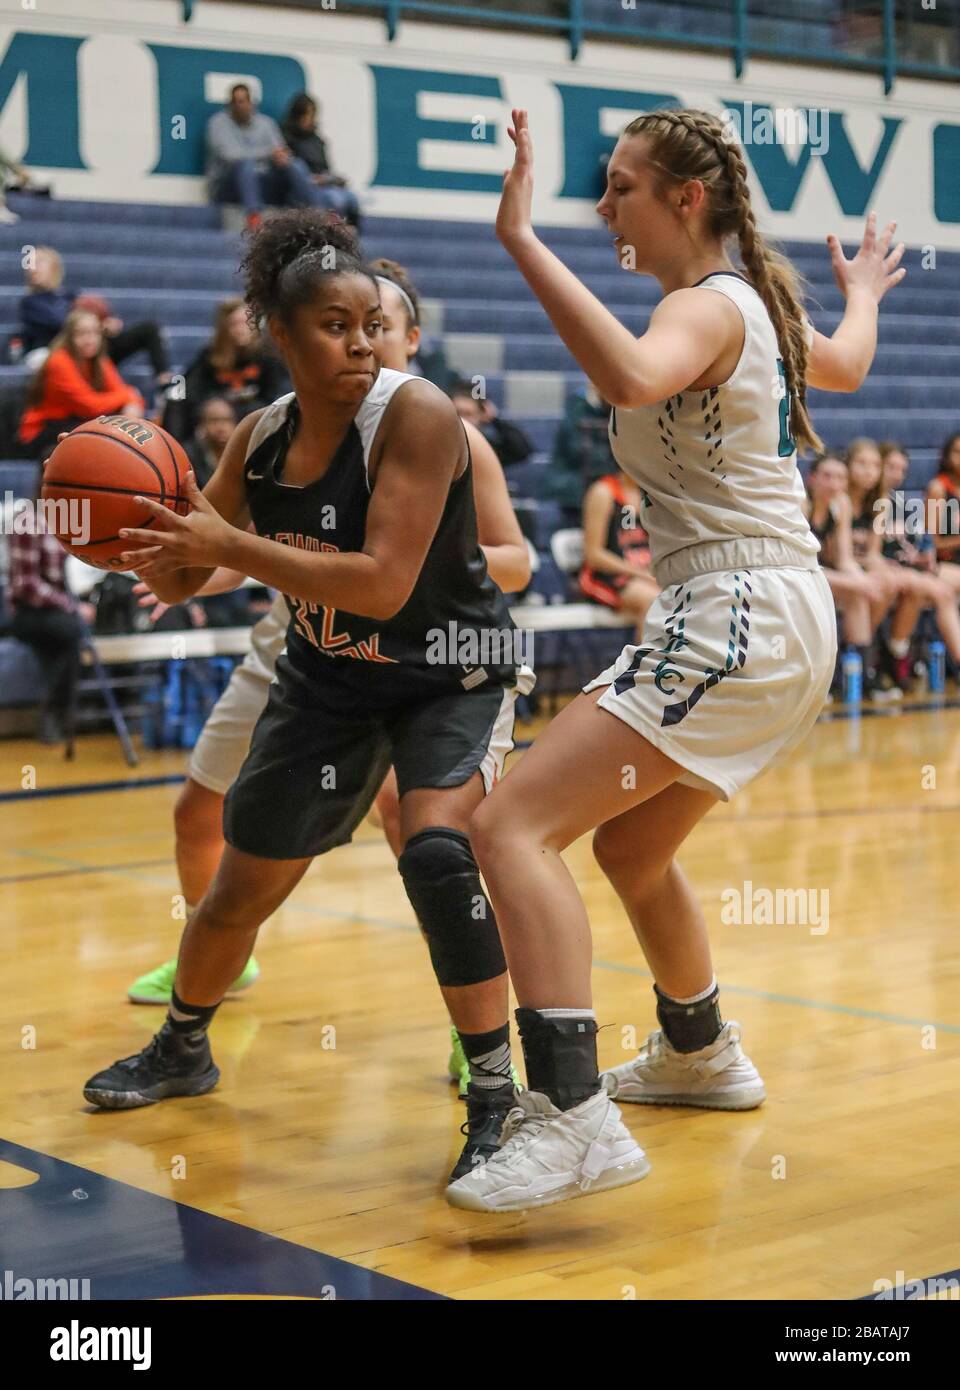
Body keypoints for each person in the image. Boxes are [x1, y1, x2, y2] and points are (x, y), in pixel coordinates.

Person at [446, 107, 904, 1213]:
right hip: (767, 616)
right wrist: (867, 297)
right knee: (633, 849)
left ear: (683, 199)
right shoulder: (743, 308)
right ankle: (699, 1050)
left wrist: (522, 241)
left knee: (508, 825)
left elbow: (634, 378)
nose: (604, 208)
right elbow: (838, 363)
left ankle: (570, 1119)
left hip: (738, 612)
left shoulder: (701, 309)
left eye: (620, 188)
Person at [82, 213, 535, 1185]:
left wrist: (221, 549)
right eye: (336, 325)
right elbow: (199, 561)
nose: (363, 342)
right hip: (328, 682)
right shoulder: (258, 436)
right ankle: (182, 1043)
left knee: (439, 849)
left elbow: (378, 584)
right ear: (278, 335)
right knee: (240, 882)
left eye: (373, 322)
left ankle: (498, 1094)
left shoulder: (418, 416)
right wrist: (149, 558)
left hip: (448, 670)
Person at [7, 484, 96, 746]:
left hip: (63, 610)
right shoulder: (27, 520)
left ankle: (61, 712)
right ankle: (56, 711)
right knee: (70, 631)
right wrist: (70, 606)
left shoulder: (72, 519)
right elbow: (26, 585)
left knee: (71, 632)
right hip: (29, 612)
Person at [16, 248, 171, 394]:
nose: (31, 267)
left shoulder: (71, 295)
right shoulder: (30, 302)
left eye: (39, 262)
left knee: (149, 329)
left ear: (54, 267)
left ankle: (166, 386)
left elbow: (93, 315)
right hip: (63, 355)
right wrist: (97, 324)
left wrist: (109, 321)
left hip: (89, 349)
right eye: (29, 263)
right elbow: (62, 323)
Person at [803, 451, 889, 695]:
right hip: (796, 576)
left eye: (840, 478)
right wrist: (859, 584)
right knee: (857, 589)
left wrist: (864, 581)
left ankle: (858, 671)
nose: (834, 484)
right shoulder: (801, 503)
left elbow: (844, 560)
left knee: (859, 594)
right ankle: (827, 676)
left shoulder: (841, 503)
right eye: (827, 476)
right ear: (812, 479)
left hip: (822, 576)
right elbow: (802, 566)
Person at [17, 309, 144, 459]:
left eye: (95, 333)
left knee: (125, 431)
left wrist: (130, 409)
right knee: (103, 432)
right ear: (69, 336)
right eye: (82, 333)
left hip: (74, 423)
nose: (90, 339)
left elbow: (126, 396)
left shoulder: (99, 360)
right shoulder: (59, 361)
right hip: (43, 431)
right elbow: (90, 406)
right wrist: (128, 395)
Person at [162, 298, 286, 443]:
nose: (241, 329)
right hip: (215, 414)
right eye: (235, 324)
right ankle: (174, 452)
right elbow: (186, 386)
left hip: (253, 417)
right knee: (175, 400)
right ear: (225, 328)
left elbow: (276, 396)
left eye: (247, 323)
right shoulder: (211, 355)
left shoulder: (268, 356)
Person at [206, 84, 327, 227]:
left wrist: (281, 158)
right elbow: (229, 156)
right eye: (237, 102)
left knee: (295, 164)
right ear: (230, 104)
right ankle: (254, 218)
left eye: (244, 101)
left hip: (263, 183)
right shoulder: (217, 123)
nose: (241, 106)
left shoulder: (267, 123)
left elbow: (280, 151)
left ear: (252, 102)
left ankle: (320, 216)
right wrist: (267, 154)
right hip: (228, 186)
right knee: (245, 165)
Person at [579, 468, 658, 639]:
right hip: (607, 578)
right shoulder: (603, 492)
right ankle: (644, 665)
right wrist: (641, 573)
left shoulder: (650, 493)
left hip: (645, 576)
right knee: (655, 601)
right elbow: (593, 556)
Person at [281, 93, 361, 227]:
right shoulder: (286, 138)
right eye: (306, 115)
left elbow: (326, 168)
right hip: (303, 188)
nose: (310, 119)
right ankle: (329, 230)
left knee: (351, 198)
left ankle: (350, 235)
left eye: (312, 115)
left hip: (324, 183)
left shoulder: (317, 141)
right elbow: (291, 169)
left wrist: (328, 179)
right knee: (335, 199)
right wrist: (310, 179)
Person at [548, 382, 619, 521]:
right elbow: (578, 449)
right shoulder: (578, 403)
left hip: (609, 481)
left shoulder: (620, 407)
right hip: (575, 479)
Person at [449, 380, 534, 469]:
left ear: (482, 415)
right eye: (457, 413)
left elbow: (522, 450)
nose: (463, 420)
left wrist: (495, 419)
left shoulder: (488, 448)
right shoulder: (442, 445)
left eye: (468, 414)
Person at [925, 431, 960, 565]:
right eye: (957, 452)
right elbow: (931, 543)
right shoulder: (938, 488)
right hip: (947, 563)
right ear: (947, 456)